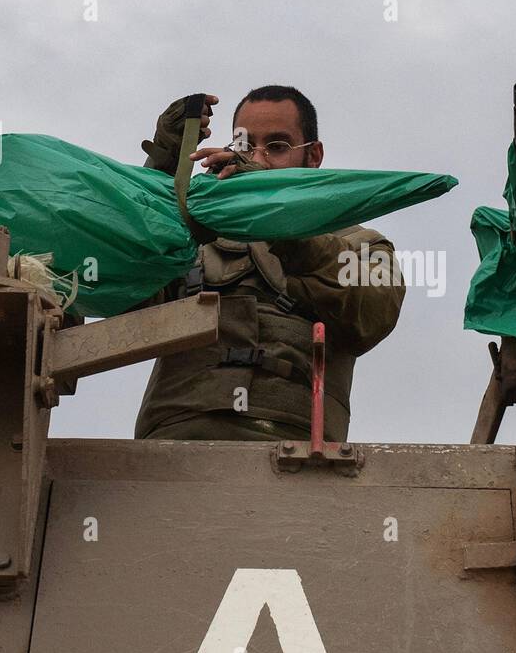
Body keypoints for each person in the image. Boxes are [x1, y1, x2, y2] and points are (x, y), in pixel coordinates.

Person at [133, 85, 405, 442]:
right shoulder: (193, 236)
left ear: (313, 155)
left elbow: (372, 314)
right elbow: (127, 286)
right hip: (171, 445)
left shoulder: (360, 243)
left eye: (276, 147)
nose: (258, 160)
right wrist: (165, 162)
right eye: (245, 145)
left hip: (297, 454)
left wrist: (277, 216)